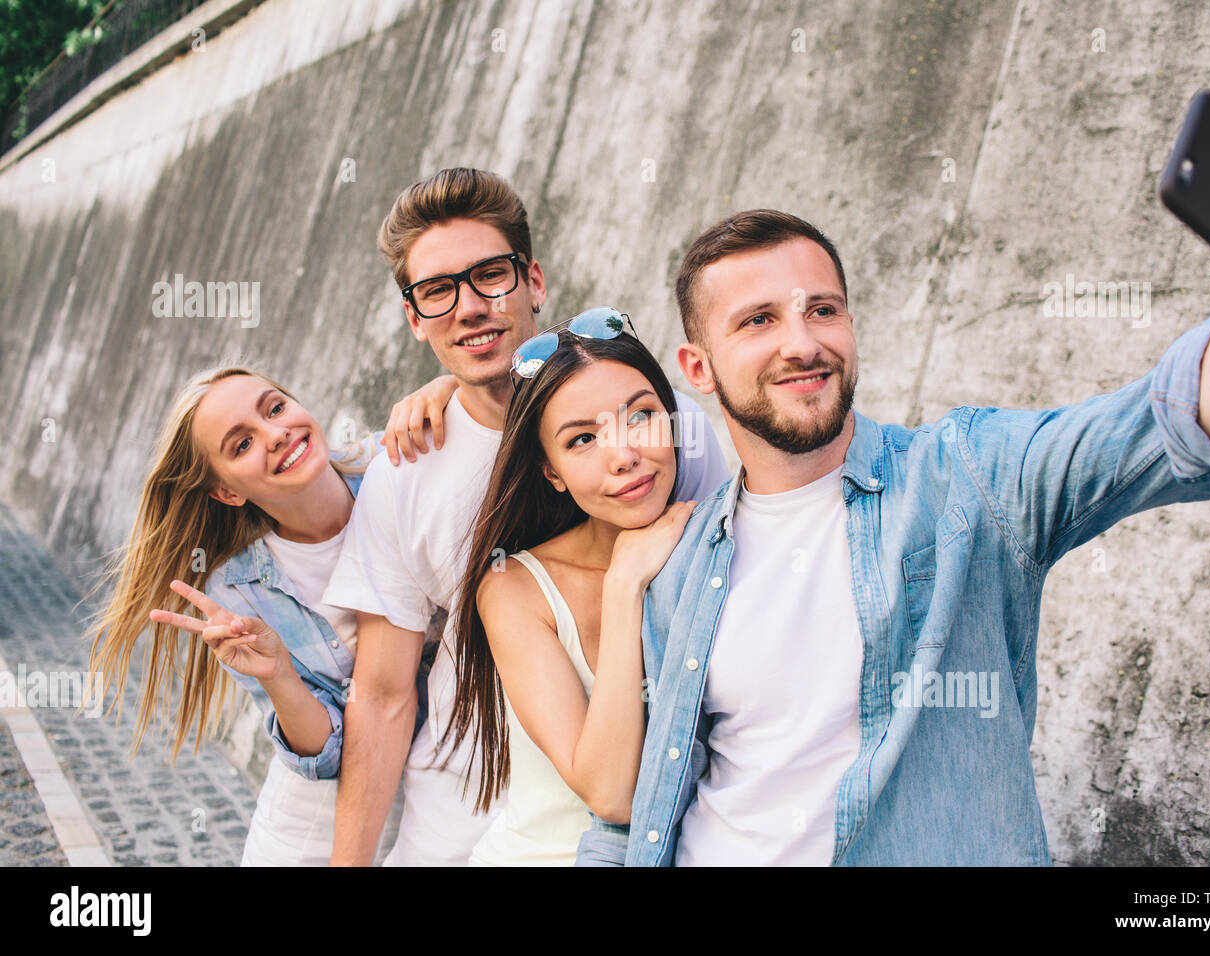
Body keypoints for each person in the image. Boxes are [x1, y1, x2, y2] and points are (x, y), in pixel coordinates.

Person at [576, 190, 1210, 865]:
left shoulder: (967, 476)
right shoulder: (680, 560)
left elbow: (1168, 422)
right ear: (697, 367)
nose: (803, 344)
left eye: (822, 310)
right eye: (758, 320)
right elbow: (646, 802)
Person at [322, 169, 731, 865]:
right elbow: (385, 695)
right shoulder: (406, 472)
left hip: (645, 802)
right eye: (437, 291)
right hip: (464, 809)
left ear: (533, 282)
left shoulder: (665, 434)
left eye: (490, 276)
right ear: (415, 318)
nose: (470, 306)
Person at [87, 365, 454, 865]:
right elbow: (325, 750)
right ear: (227, 493)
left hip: (434, 785)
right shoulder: (236, 590)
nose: (276, 435)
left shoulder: (397, 463)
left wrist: (447, 387)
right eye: (241, 445)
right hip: (311, 819)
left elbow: (493, 410)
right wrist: (278, 674)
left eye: (275, 408)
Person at [448, 308, 696, 865]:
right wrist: (624, 583)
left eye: (642, 417)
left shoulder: (713, 545)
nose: (625, 455)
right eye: (583, 439)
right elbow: (610, 793)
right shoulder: (514, 588)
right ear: (552, 471)